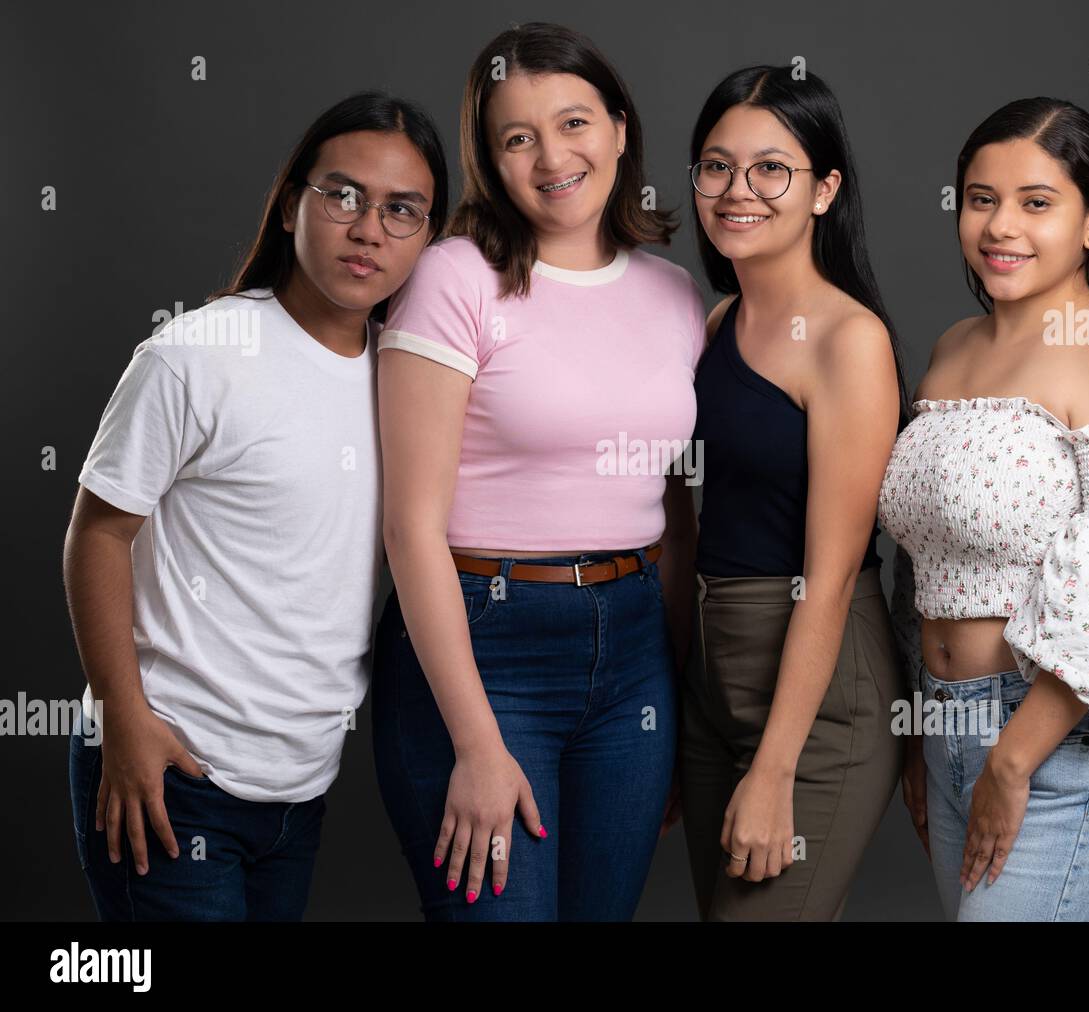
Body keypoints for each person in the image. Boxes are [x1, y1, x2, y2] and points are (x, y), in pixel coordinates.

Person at [64, 91, 448, 921]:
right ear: (288, 205)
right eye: (342, 195)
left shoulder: (410, 379)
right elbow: (96, 536)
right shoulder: (198, 356)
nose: (368, 228)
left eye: (401, 210)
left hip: (296, 788)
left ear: (426, 236)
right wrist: (125, 726)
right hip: (171, 765)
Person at [370, 22, 707, 921]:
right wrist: (477, 743)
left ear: (621, 127)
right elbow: (409, 526)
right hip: (484, 646)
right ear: (491, 158)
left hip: (633, 651)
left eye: (574, 123)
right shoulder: (454, 278)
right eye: (518, 137)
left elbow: (671, 506)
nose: (553, 156)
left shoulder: (675, 294)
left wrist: (668, 691)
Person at [879, 96, 1089, 920]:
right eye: (981, 199)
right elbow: (921, 566)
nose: (999, 226)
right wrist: (921, 731)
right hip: (946, 728)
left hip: (1057, 749)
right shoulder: (953, 349)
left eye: (1036, 202)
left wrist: (1010, 762)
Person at [678, 66, 909, 920]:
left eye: (772, 168)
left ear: (824, 190)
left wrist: (775, 768)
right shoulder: (713, 323)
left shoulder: (849, 340)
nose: (739, 191)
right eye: (716, 166)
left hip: (818, 687)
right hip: (710, 673)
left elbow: (833, 571)